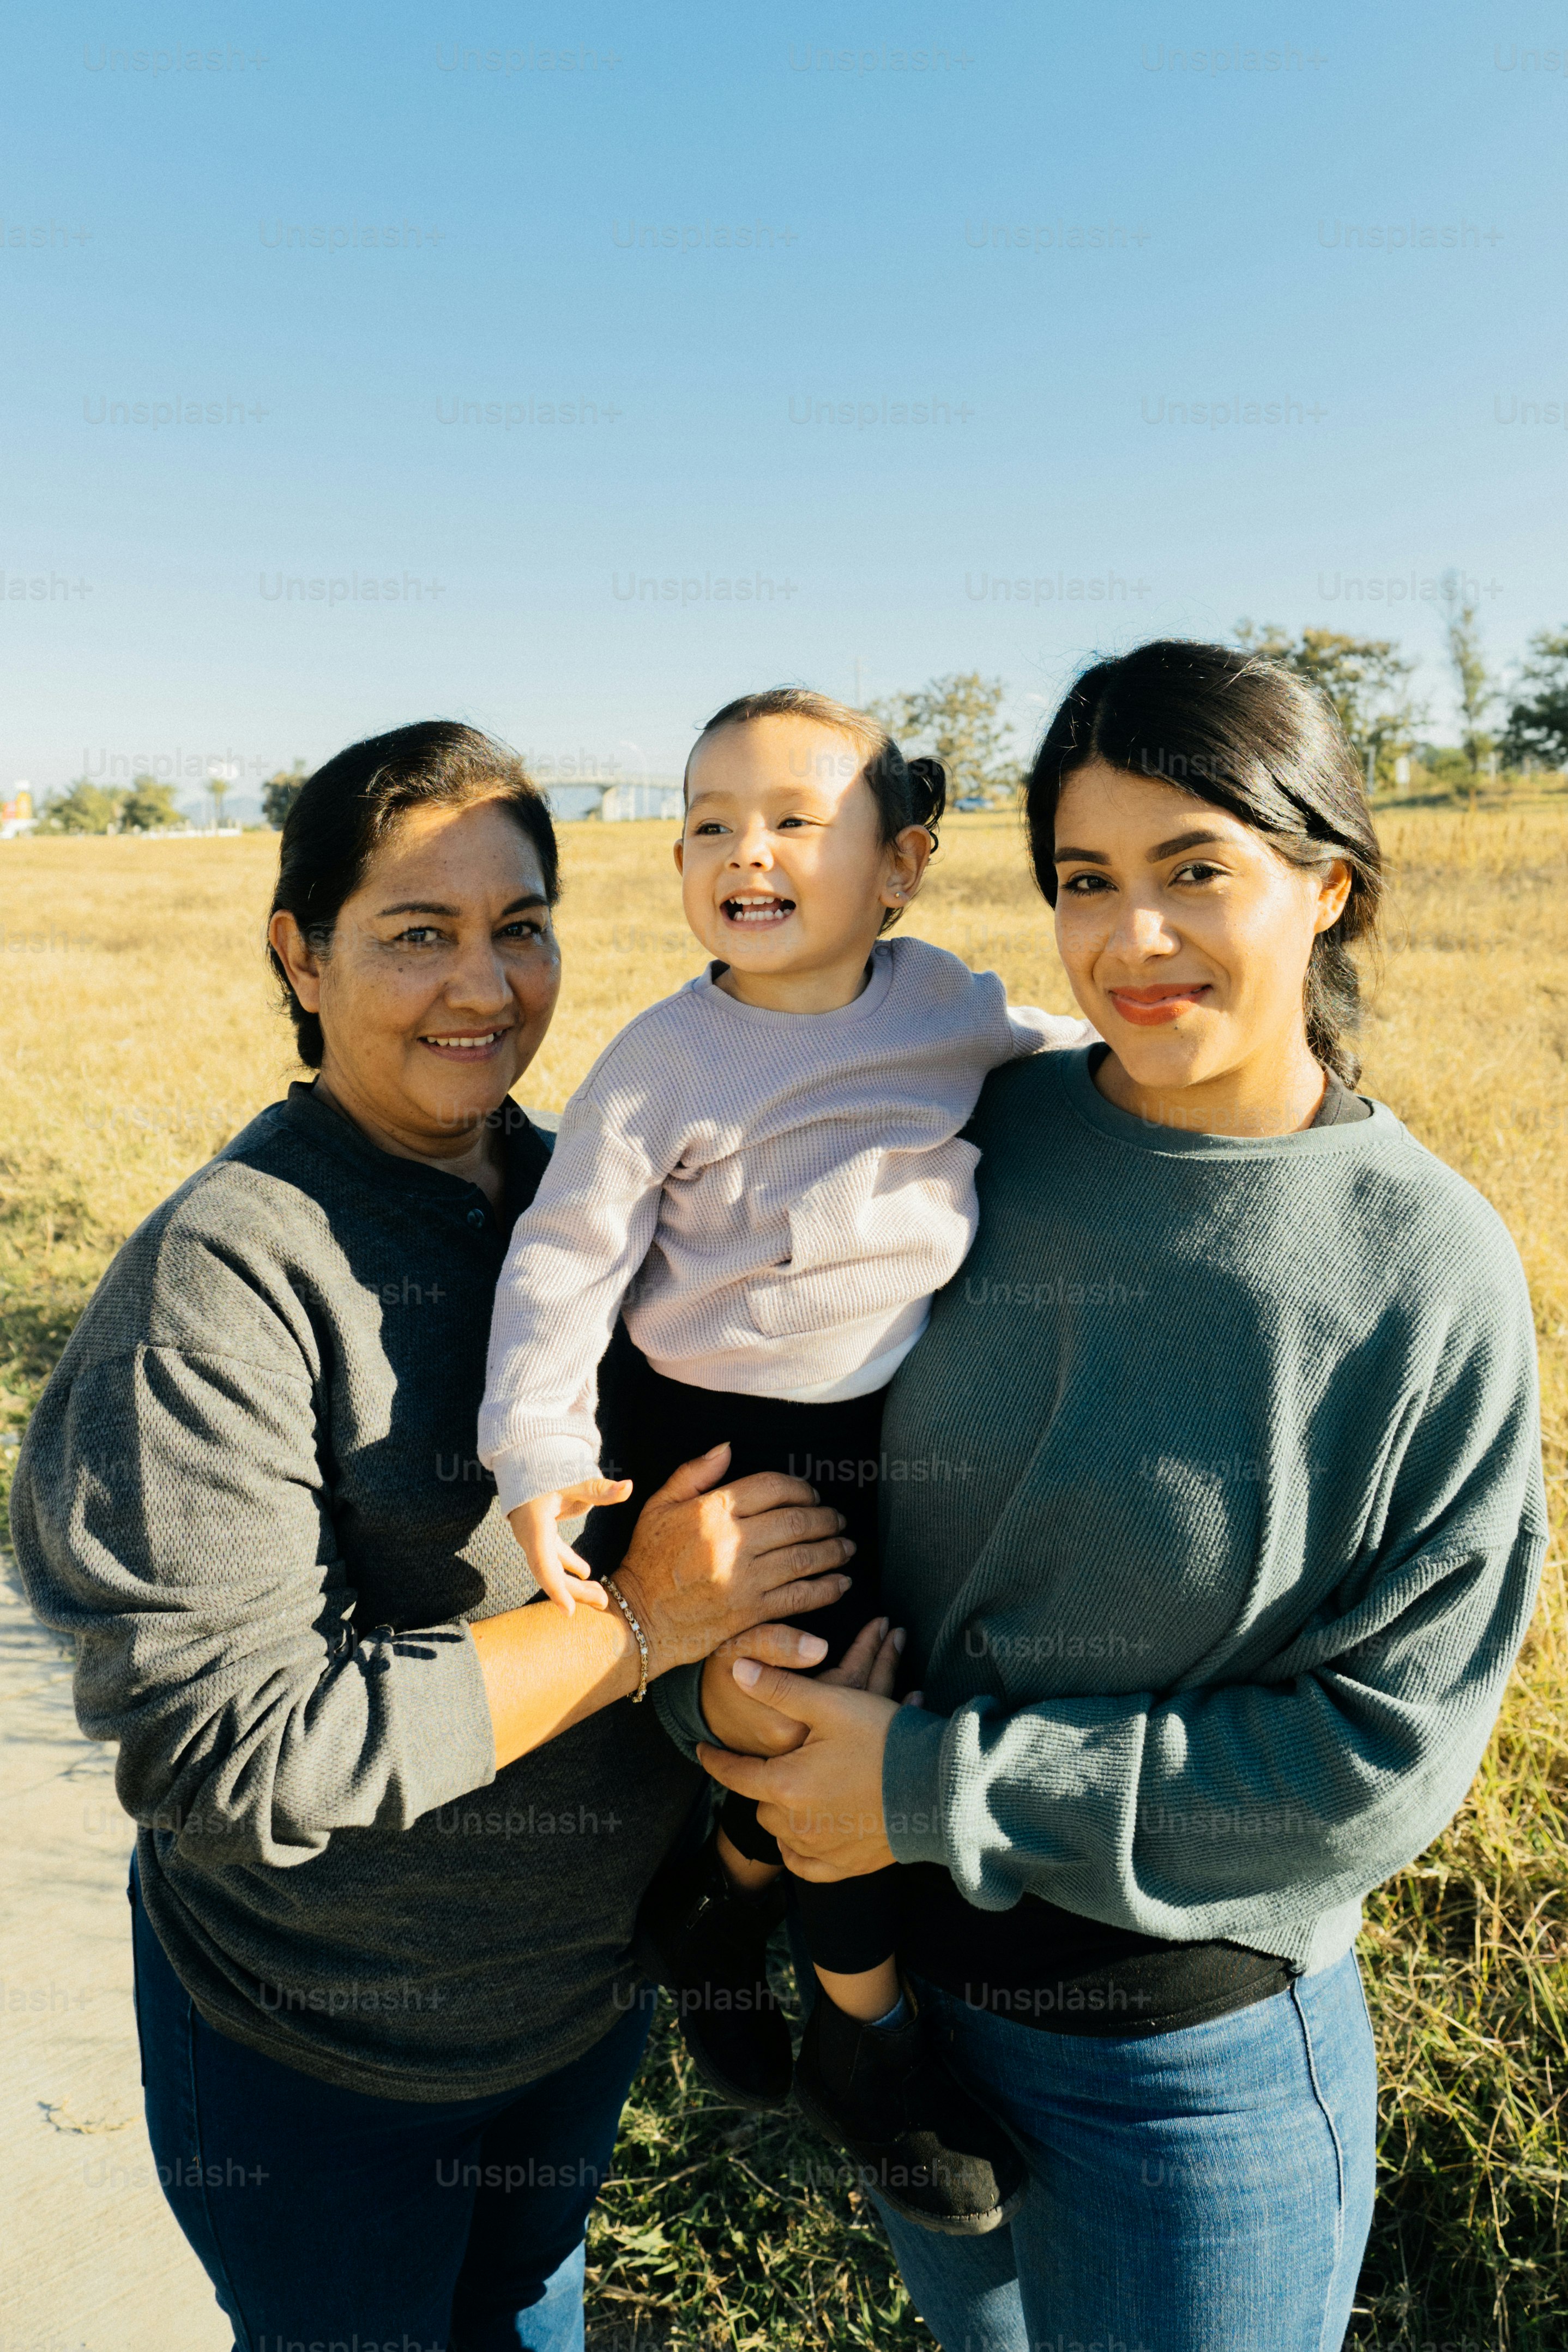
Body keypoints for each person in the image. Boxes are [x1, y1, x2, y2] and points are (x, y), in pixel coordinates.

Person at [691, 641, 1547, 2350]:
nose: (1129, 938)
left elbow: (1375, 1761)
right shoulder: (957, 1134)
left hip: (1188, 2071)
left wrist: (921, 1786)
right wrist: (710, 1667)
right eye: (1084, 879)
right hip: (902, 2017)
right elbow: (754, 1414)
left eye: (1193, 870)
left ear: (1327, 887)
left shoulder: (1422, 1268)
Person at [8, 721, 859, 2352]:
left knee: (531, 2319)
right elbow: (234, 1755)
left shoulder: (596, 1199)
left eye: (519, 926)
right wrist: (638, 1624)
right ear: (300, 955)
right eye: (417, 932)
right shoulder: (225, 1281)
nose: (483, 986)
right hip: (318, 2064)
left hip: (579, 2013)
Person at [478, 687, 1090, 2229]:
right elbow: (564, 1258)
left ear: (900, 865)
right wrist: (539, 1449)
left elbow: (1057, 1044)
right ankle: (862, 2045)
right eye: (708, 825)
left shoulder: (940, 1001)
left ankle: (722, 1907)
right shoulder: (665, 1061)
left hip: (891, 1431)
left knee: (897, 1681)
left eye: (793, 822)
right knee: (828, 1712)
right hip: (726, 1440)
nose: (742, 852)